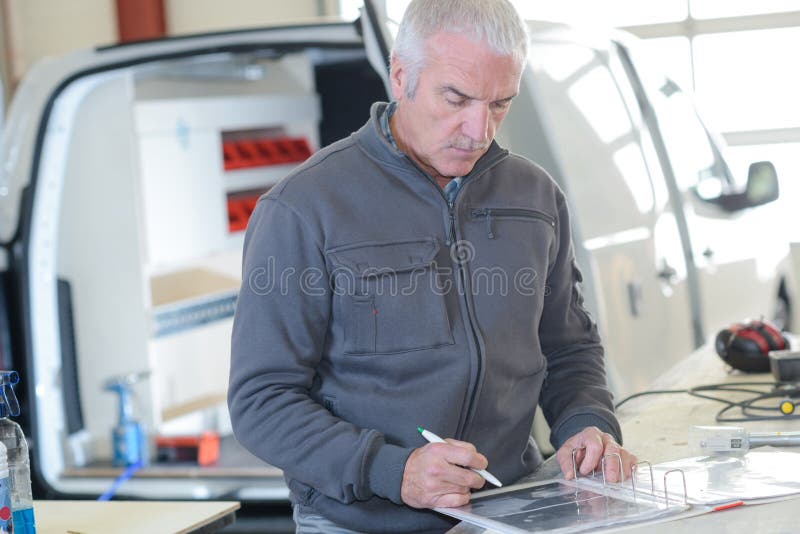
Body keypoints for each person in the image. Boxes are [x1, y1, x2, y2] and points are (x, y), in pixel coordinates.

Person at [228, 0, 637, 532]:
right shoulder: (304, 209)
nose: (478, 129)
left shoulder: (535, 197)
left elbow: (567, 347)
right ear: (401, 76)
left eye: (500, 104)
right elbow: (261, 400)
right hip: (359, 521)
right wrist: (391, 470)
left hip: (511, 509)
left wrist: (587, 422)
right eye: (457, 98)